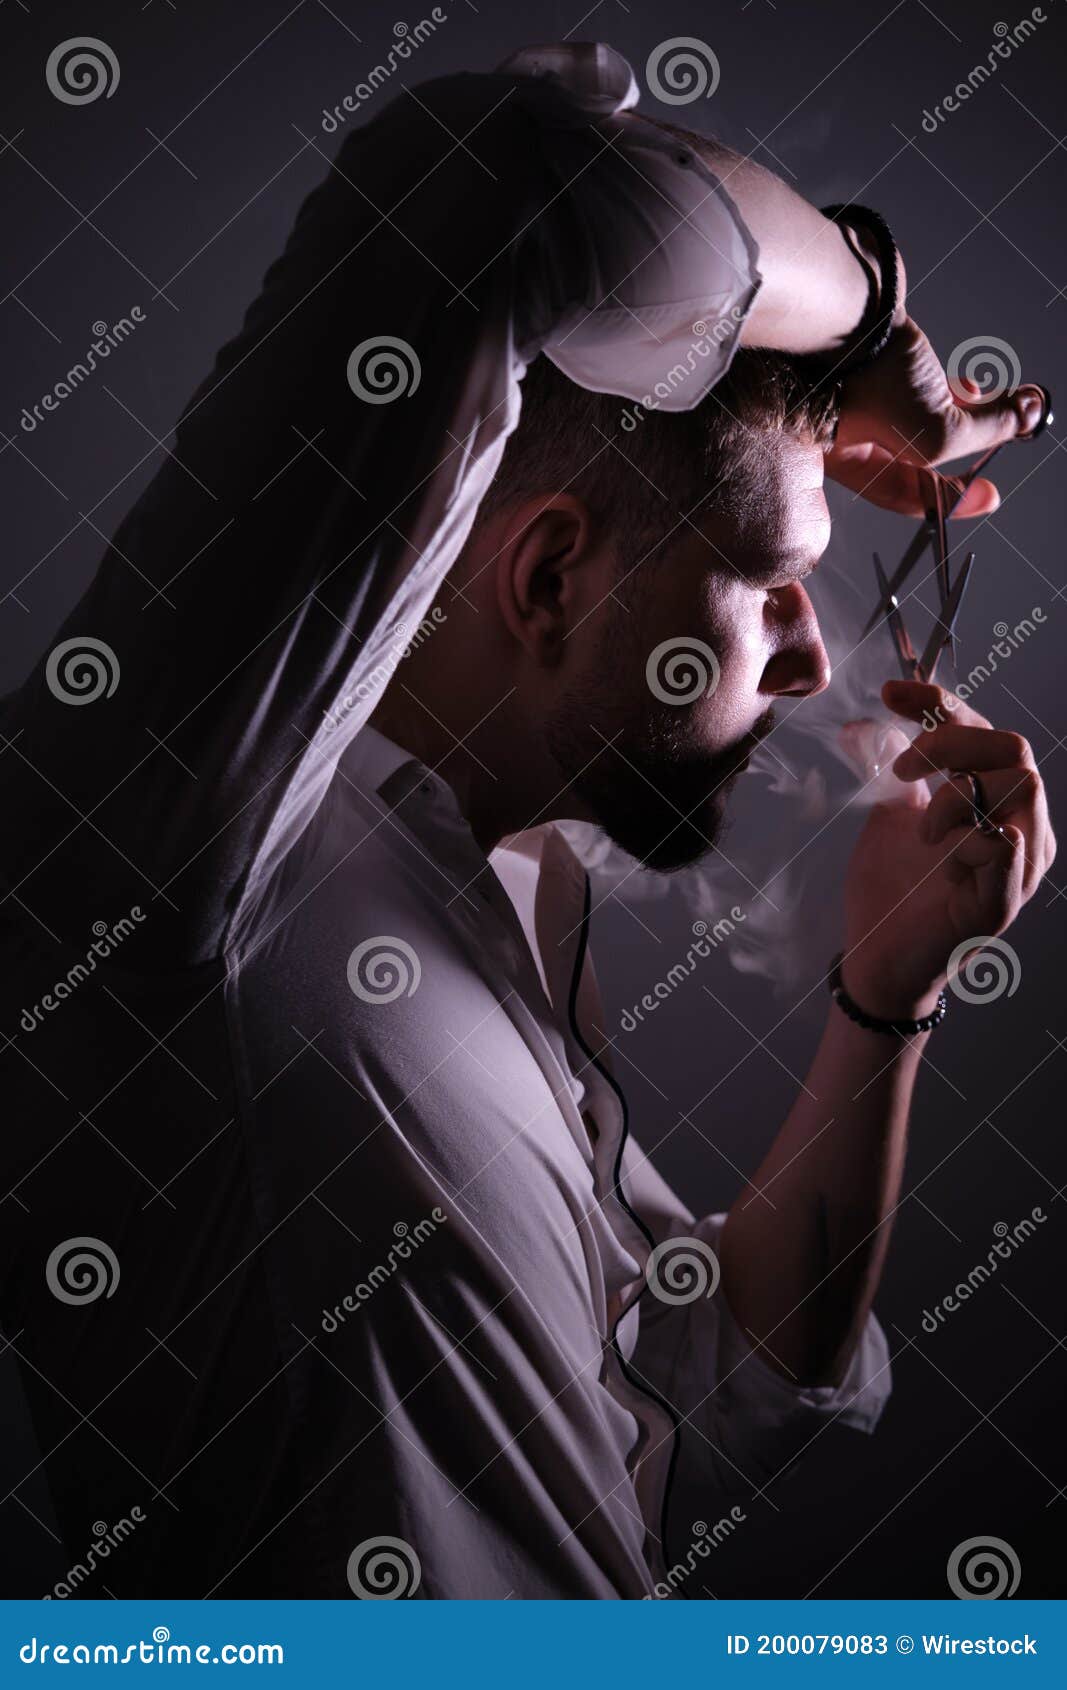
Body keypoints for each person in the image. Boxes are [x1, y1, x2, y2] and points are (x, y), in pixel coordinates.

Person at [0, 43, 1053, 1599]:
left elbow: (704, 1388)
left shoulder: (511, 897)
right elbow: (499, 177)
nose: (818, 651)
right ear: (553, 575)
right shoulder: (167, 854)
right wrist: (878, 309)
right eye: (769, 577)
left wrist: (879, 1000)